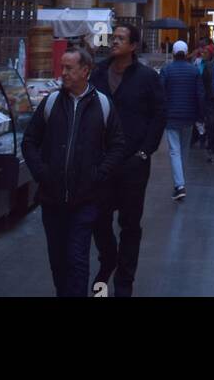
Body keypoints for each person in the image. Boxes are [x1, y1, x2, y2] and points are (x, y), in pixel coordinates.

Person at [22, 45, 125, 297]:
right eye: (62, 68)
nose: (63, 73)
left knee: (77, 258)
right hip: (52, 198)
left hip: (86, 198)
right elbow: (29, 141)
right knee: (57, 259)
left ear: (85, 71)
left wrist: (98, 175)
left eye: (69, 68)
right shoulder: (52, 102)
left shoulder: (102, 104)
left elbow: (117, 146)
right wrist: (42, 173)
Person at [90, 23, 166, 298]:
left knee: (130, 223)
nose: (114, 42)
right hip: (102, 160)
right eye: (114, 38)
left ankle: (125, 281)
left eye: (121, 39)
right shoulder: (98, 73)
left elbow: (159, 115)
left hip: (133, 162)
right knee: (98, 217)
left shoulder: (146, 77)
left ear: (133, 46)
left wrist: (145, 151)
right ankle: (108, 257)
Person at [160, 40, 204, 200]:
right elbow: (200, 95)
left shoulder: (166, 70)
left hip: (171, 116)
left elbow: (161, 93)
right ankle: (180, 181)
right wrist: (200, 116)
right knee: (184, 150)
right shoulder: (194, 71)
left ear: (173, 53)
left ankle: (179, 185)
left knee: (174, 151)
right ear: (186, 53)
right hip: (189, 116)